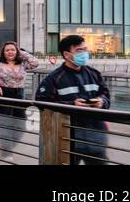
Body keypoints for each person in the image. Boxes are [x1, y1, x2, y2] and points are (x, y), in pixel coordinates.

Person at [35, 34, 111, 165]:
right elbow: (42, 102)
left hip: (96, 135)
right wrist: (71, 104)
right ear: (66, 54)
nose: (84, 53)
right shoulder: (54, 79)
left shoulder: (94, 74)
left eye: (85, 49)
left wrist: (101, 102)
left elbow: (106, 96)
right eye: (79, 50)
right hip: (68, 136)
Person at [0, 41, 40, 115]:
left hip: (19, 93)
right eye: (7, 50)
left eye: (13, 50)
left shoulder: (22, 63)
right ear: (3, 52)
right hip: (2, 92)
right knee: (3, 117)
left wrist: (20, 52)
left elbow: (35, 63)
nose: (10, 52)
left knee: (19, 117)